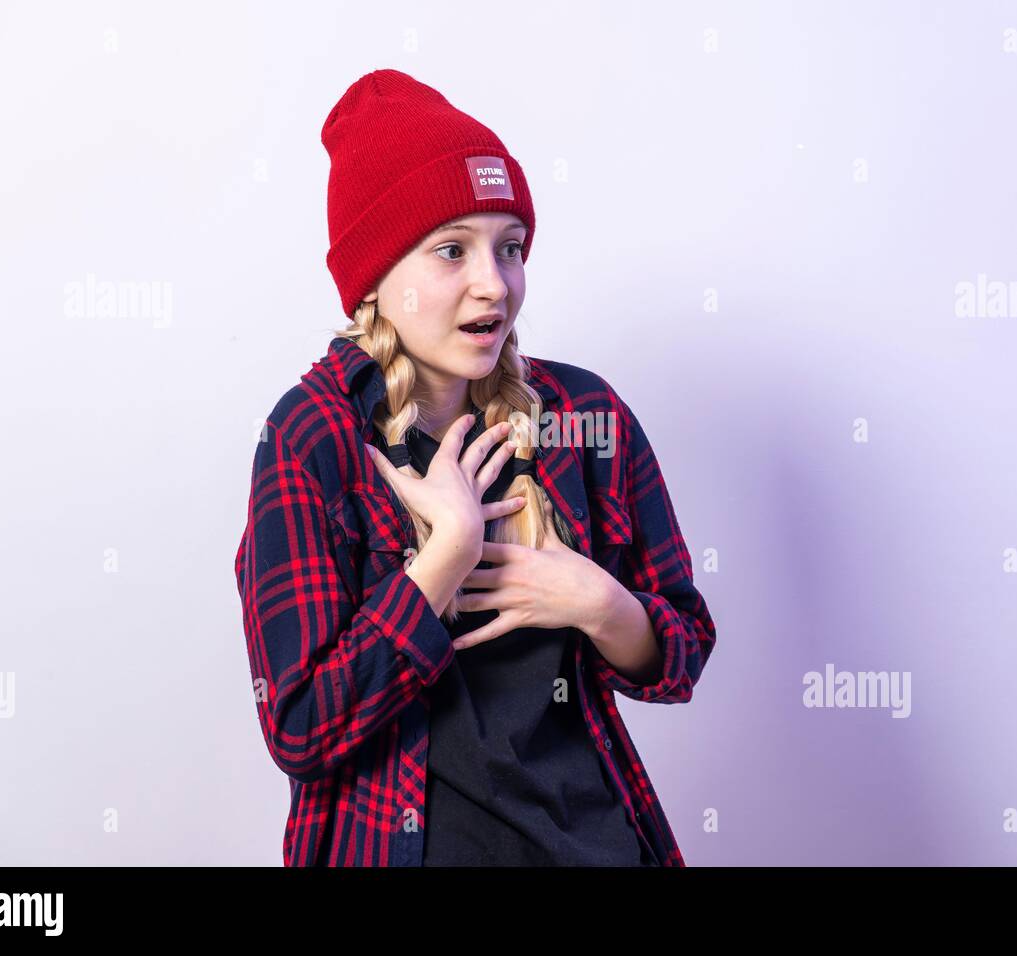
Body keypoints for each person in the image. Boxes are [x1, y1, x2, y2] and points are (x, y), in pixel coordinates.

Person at [234, 69, 716, 866]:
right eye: (451, 250)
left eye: (511, 247)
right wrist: (445, 557)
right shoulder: (312, 438)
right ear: (375, 280)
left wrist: (599, 602)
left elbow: (681, 653)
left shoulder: (580, 417)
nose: (495, 283)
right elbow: (302, 726)